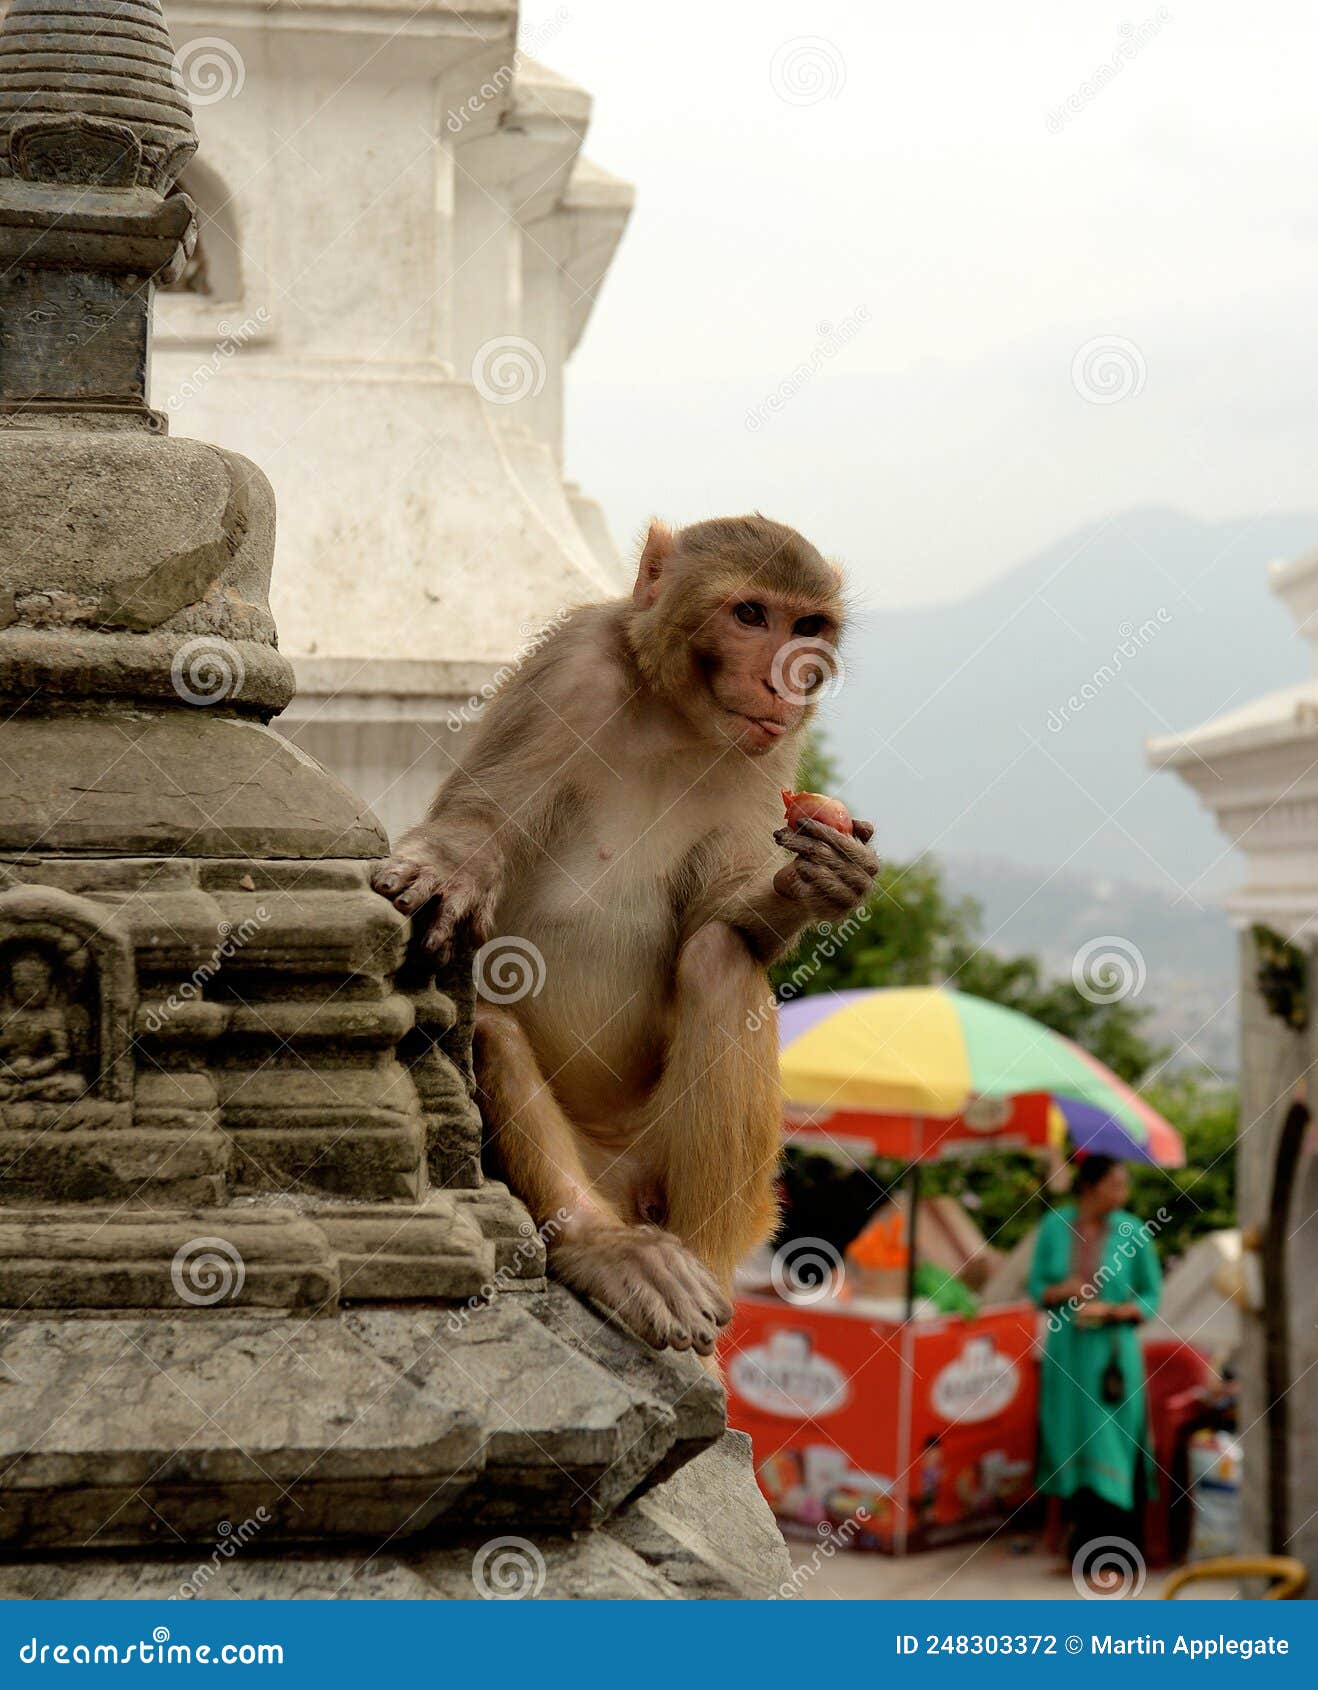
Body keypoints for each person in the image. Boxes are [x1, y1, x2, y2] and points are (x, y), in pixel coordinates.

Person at [1028, 1153, 1162, 1583]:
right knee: (1073, 1440)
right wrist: (1059, 1289)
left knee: (1115, 1444)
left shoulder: (1134, 1232)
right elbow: (1035, 1287)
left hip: (1113, 1357)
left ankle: (1118, 1555)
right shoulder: (1054, 1227)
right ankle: (1079, 1553)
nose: (1123, 1194)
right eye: (1116, 1184)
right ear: (1090, 1187)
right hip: (1068, 1352)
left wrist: (1122, 1311)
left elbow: (1151, 1293)